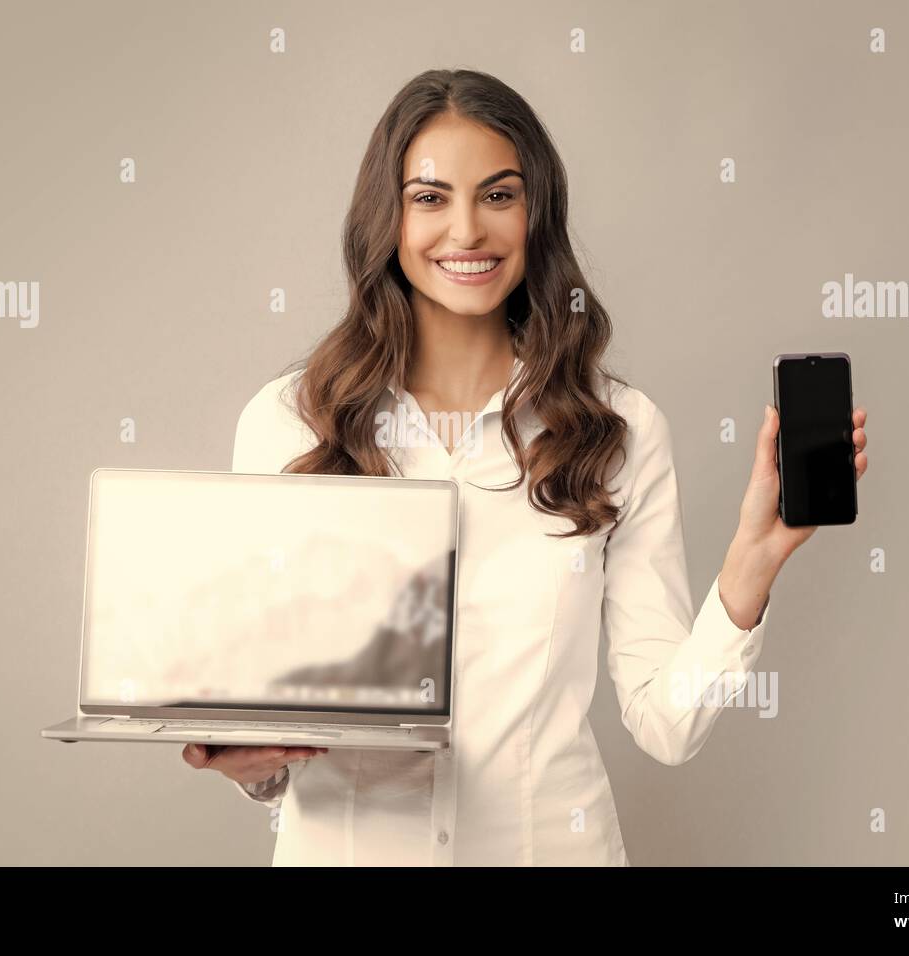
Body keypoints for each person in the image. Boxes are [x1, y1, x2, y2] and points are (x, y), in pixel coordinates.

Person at [182, 68, 869, 865]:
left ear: (536, 212)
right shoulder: (286, 424)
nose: (467, 230)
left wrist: (754, 562)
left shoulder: (620, 431)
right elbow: (267, 724)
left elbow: (667, 724)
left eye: (499, 195)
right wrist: (248, 762)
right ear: (387, 217)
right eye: (430, 197)